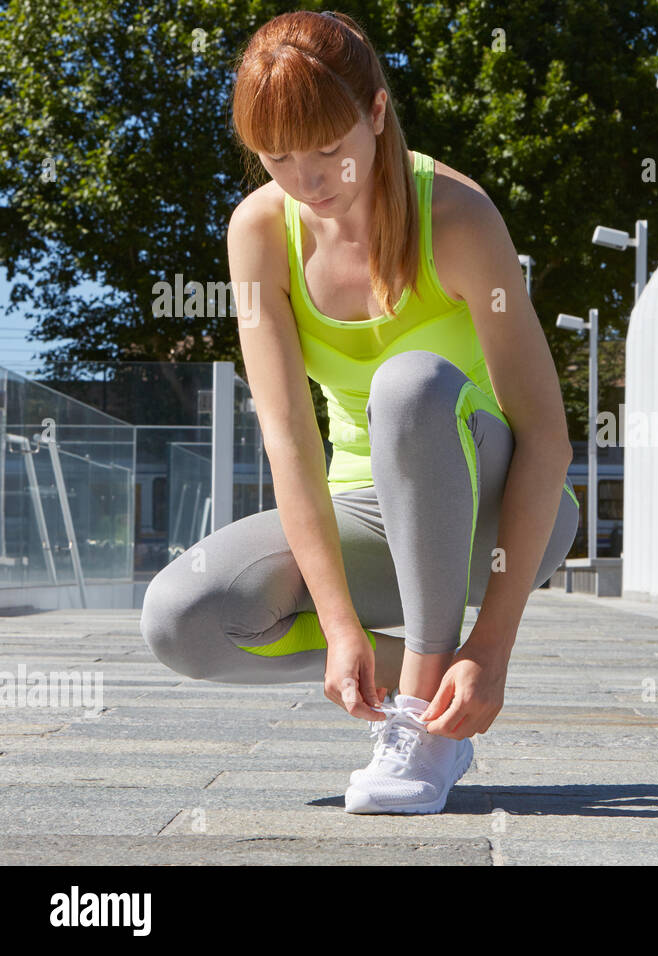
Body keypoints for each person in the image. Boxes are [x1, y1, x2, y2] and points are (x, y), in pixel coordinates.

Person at [139, 9, 579, 815]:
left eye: (330, 152)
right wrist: (339, 627)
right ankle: (428, 672)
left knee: (409, 385)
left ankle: (422, 721)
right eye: (278, 160)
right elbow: (288, 440)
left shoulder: (458, 216)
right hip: (366, 513)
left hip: (497, 510)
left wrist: (495, 646)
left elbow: (548, 439)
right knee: (183, 619)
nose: (309, 183)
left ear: (376, 114)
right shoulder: (259, 232)